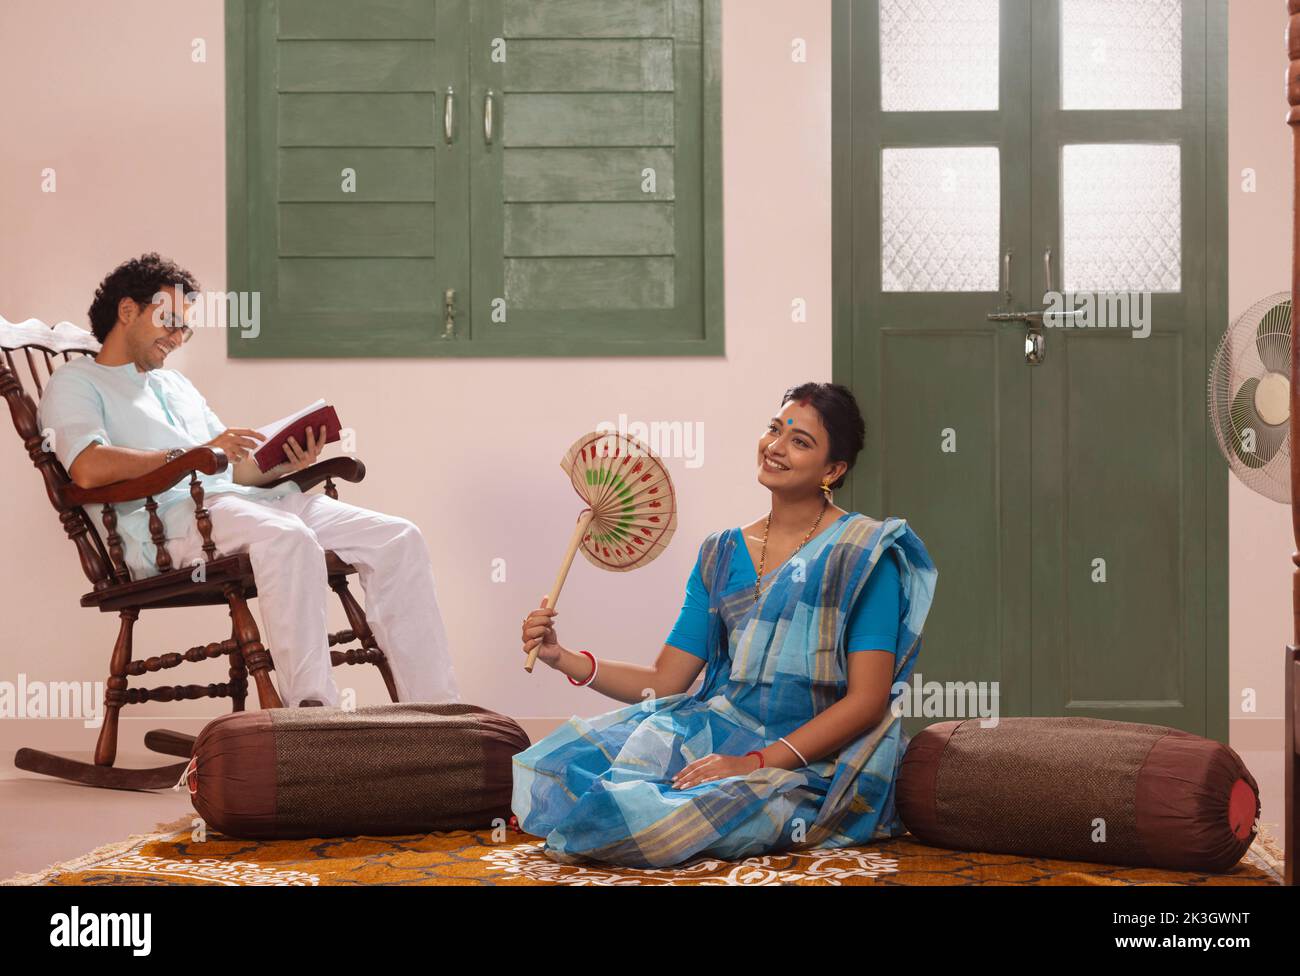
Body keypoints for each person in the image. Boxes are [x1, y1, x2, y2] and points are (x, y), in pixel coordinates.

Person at [512, 382, 937, 867]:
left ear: (833, 470)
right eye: (775, 429)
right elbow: (665, 681)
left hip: (814, 756)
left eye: (800, 442)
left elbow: (867, 702)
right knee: (565, 767)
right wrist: (560, 656)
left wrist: (751, 764)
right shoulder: (722, 552)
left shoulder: (862, 554)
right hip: (718, 729)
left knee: (663, 818)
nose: (776, 447)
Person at [37, 253, 459, 708]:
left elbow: (230, 467)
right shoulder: (77, 382)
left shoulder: (175, 386)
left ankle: (438, 710)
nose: (178, 338)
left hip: (240, 504)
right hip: (168, 523)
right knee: (289, 538)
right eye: (170, 322)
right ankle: (312, 717)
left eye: (186, 329)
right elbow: (87, 467)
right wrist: (188, 455)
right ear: (127, 311)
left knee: (398, 537)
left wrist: (286, 461)